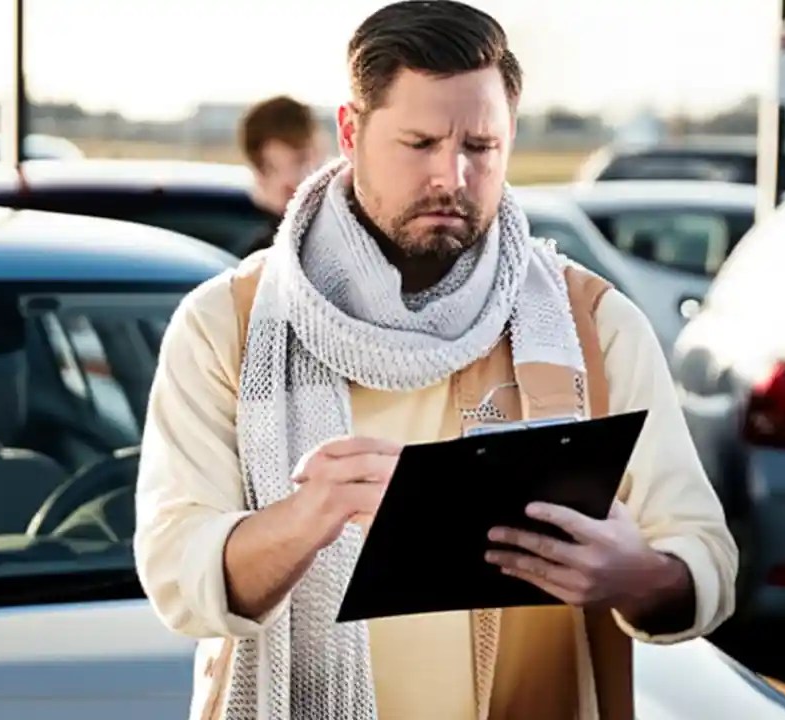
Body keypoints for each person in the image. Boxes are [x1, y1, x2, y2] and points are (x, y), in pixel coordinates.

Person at [134, 2, 737, 718]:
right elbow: (177, 577)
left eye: (481, 146)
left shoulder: (593, 326)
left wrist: (634, 576)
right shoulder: (225, 325)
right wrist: (310, 518)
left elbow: (706, 560)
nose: (451, 175)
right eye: (418, 142)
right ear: (351, 132)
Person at [237, 95, 325, 256]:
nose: (289, 180)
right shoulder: (263, 256)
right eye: (271, 169)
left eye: (301, 161)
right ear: (259, 176)